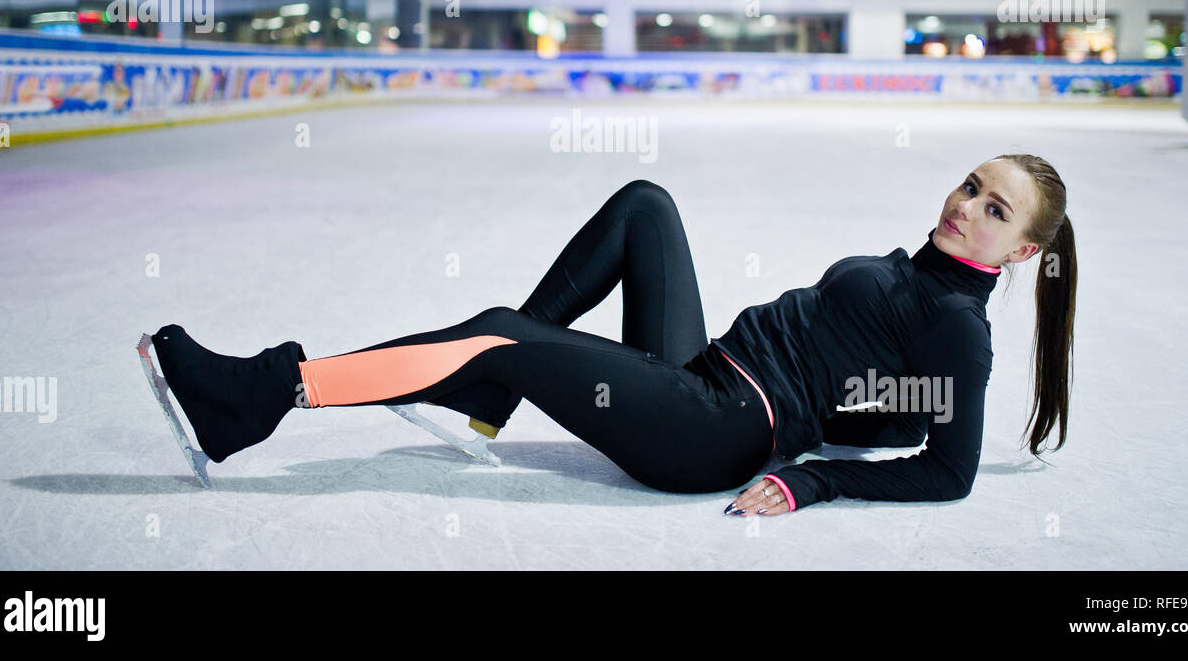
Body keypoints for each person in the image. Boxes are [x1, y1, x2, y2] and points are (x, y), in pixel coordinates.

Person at [149, 156, 1076, 515]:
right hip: (706, 372)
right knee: (646, 204)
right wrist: (854, 411)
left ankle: (256, 397)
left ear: (1023, 250)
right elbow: (896, 412)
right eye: (970, 185)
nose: (967, 207)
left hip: (715, 431)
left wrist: (814, 471)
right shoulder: (920, 276)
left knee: (493, 335)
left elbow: (948, 467)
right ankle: (486, 393)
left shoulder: (958, 327)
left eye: (995, 210)